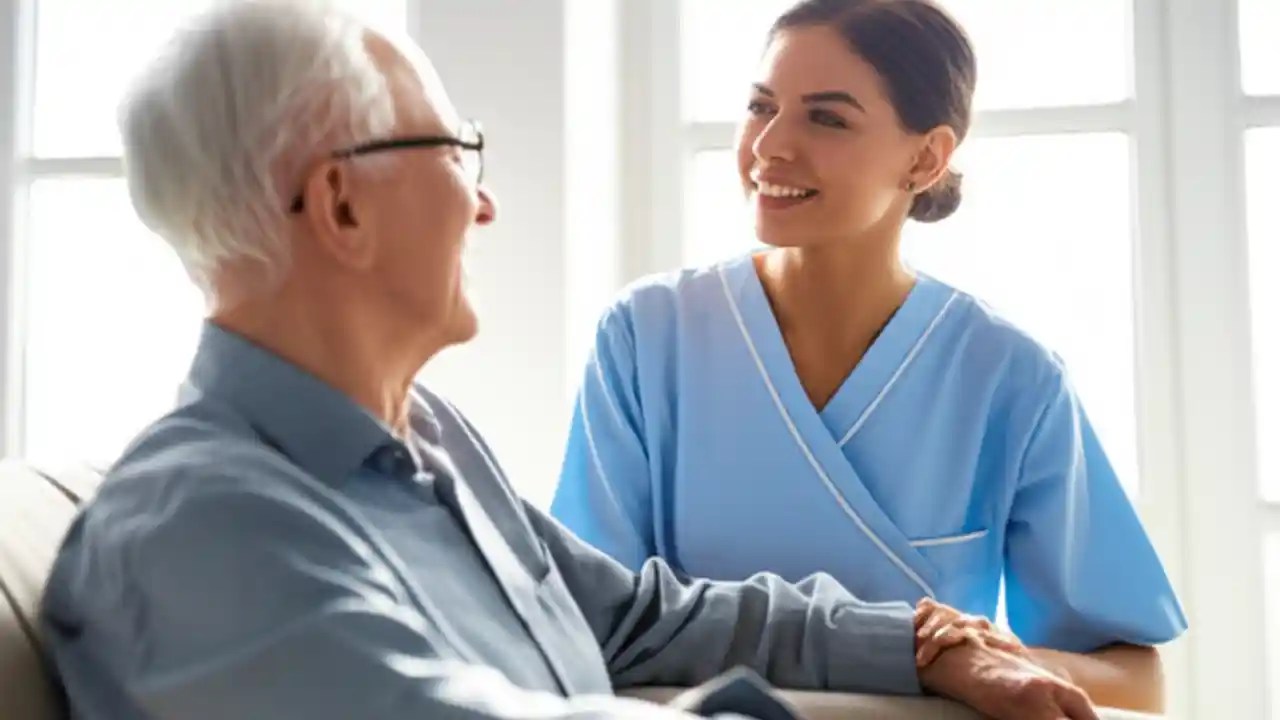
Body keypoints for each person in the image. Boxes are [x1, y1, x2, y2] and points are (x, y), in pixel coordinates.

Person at [38, 2, 1098, 719]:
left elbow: (637, 616)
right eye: (457, 153)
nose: (484, 201)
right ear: (342, 204)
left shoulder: (428, 444)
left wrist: (924, 645)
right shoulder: (196, 530)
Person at [550, 0, 1186, 712]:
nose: (769, 146)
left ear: (925, 157)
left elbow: (1137, 680)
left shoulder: (1008, 376)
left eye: (826, 118)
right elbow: (579, 628)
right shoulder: (646, 337)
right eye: (762, 107)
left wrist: (971, 655)